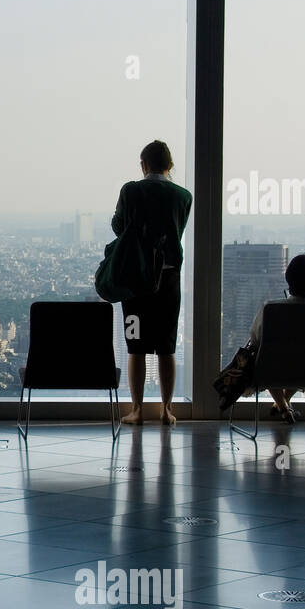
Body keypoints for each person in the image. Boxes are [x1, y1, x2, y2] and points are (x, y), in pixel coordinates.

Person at [112, 140, 192, 426]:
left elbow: (119, 226)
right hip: (168, 278)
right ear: (169, 166)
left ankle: (137, 409)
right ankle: (167, 410)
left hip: (136, 279)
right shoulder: (183, 196)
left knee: (135, 345)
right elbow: (176, 230)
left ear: (143, 164)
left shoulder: (131, 191)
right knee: (166, 345)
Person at [246, 252, 305, 424]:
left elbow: (255, 340)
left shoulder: (270, 310)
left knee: (270, 359)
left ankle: (282, 406)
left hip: (270, 369)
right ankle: (283, 405)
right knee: (302, 357)